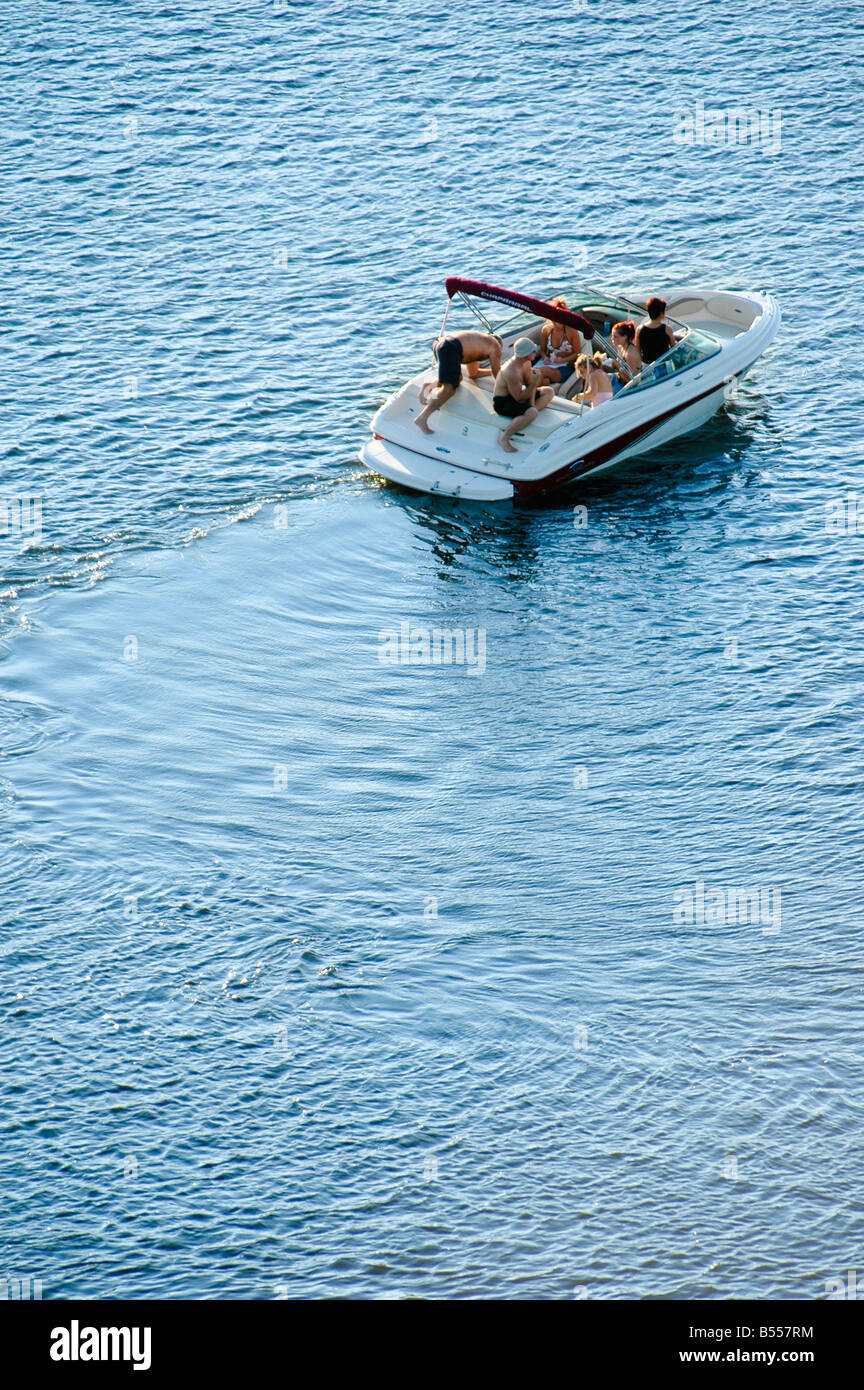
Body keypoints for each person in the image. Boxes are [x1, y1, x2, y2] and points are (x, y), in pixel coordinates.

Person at [415, 330, 503, 433]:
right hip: (450, 347)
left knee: (457, 378)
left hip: (441, 343)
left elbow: (473, 374)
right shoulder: (495, 345)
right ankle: (422, 418)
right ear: (499, 344)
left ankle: (429, 386)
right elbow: (497, 373)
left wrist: (493, 371)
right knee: (449, 390)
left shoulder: (478, 343)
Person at [492, 338, 555, 452]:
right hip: (503, 402)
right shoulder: (511, 371)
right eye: (533, 351)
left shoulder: (526, 363)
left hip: (517, 396)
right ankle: (504, 437)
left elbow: (529, 384)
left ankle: (526, 417)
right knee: (532, 413)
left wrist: (531, 404)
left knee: (549, 391)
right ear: (525, 354)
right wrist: (535, 383)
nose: (535, 353)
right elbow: (519, 398)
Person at [535, 296, 582, 388]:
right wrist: (545, 357)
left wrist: (561, 360)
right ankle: (534, 397)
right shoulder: (546, 330)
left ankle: (526, 397)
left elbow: (577, 353)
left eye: (561, 316)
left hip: (566, 366)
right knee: (544, 380)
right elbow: (542, 350)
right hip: (550, 363)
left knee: (540, 372)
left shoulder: (571, 331)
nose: (558, 320)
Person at [635, 297, 676, 365]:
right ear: (661, 313)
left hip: (647, 366)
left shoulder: (639, 329)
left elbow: (638, 351)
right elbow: (674, 348)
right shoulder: (667, 329)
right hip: (664, 365)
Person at [609, 320, 642, 389]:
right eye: (612, 336)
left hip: (631, 387)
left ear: (625, 337)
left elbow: (632, 380)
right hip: (621, 381)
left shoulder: (630, 354)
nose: (612, 339)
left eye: (615, 336)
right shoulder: (621, 347)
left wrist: (616, 365)